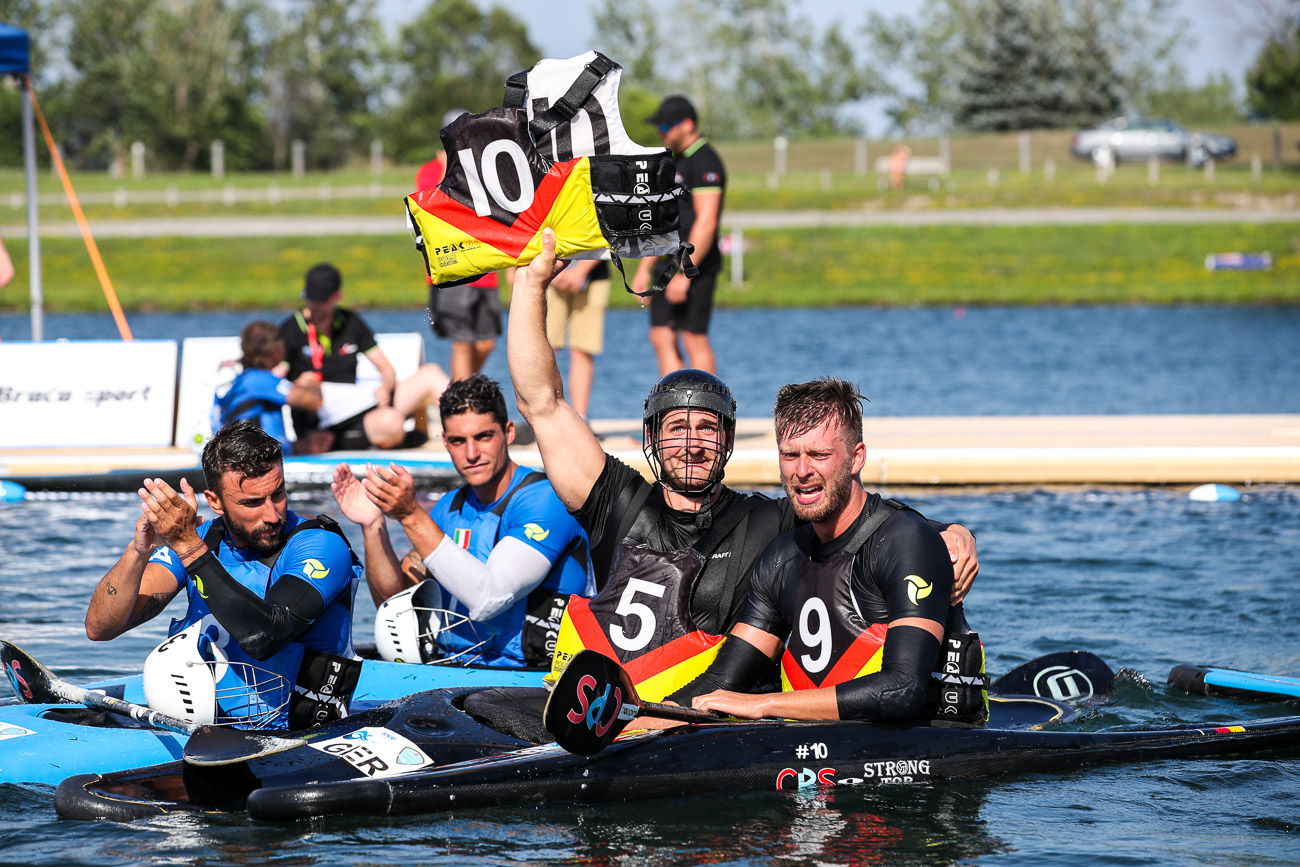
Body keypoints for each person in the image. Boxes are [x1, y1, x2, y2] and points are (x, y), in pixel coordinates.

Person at [508, 230, 978, 700]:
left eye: (707, 430)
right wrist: (530, 287)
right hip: (595, 717)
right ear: (652, 438)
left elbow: (862, 516)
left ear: (727, 441)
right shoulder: (614, 501)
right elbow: (541, 403)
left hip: (699, 725)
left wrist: (949, 530)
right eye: (676, 429)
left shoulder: (769, 523)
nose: (692, 444)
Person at [670, 378, 983, 725]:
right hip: (820, 747)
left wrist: (763, 705)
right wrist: (633, 721)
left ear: (856, 458)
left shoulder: (906, 542)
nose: (802, 472)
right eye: (790, 455)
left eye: (819, 455)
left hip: (928, 744)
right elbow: (721, 684)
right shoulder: (780, 558)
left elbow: (903, 690)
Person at [84, 421, 364, 729]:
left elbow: (268, 635)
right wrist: (139, 550)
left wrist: (187, 546)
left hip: (293, 738)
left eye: (278, 494)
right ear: (215, 501)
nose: (272, 515)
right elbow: (101, 628)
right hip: (198, 728)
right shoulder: (201, 539)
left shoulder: (320, 545)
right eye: (252, 503)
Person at [332, 375, 592, 668]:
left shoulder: (546, 500)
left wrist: (410, 515)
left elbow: (489, 599)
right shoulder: (449, 507)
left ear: (508, 433)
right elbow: (395, 605)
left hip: (531, 682)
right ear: (444, 441)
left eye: (483, 437)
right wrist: (373, 526)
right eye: (458, 441)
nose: (471, 454)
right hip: (455, 671)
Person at [277, 263, 449, 451]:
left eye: (321, 300)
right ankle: (397, 439)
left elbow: (387, 370)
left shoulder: (351, 322)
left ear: (337, 297)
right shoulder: (291, 329)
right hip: (320, 419)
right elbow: (275, 378)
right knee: (391, 422)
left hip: (359, 404)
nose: (315, 306)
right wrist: (299, 384)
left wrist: (385, 387)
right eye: (311, 300)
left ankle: (469, 430)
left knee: (431, 374)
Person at [632, 95, 726, 376]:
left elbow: (706, 222)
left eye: (666, 126)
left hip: (695, 263)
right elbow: (663, 219)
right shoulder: (675, 161)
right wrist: (644, 268)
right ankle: (673, 407)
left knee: (693, 337)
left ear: (686, 125)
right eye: (659, 127)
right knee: (660, 335)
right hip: (666, 260)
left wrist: (685, 272)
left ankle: (709, 410)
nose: (661, 133)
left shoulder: (706, 161)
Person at [418, 108, 506, 381]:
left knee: (486, 341)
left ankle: (460, 389)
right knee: (462, 341)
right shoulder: (431, 171)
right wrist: (448, 167)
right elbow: (432, 210)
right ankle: (461, 398)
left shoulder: (481, 165)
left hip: (484, 269)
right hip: (452, 267)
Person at [212, 320, 329, 455]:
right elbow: (314, 401)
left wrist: (303, 446)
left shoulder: (242, 380)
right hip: (258, 463)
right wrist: (308, 381)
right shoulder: (259, 380)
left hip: (251, 457)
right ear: (275, 350)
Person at [545, 257, 610, 418]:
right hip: (549, 272)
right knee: (545, 349)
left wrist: (581, 270)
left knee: (582, 349)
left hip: (594, 275)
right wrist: (551, 271)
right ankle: (544, 416)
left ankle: (581, 418)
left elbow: (610, 234)